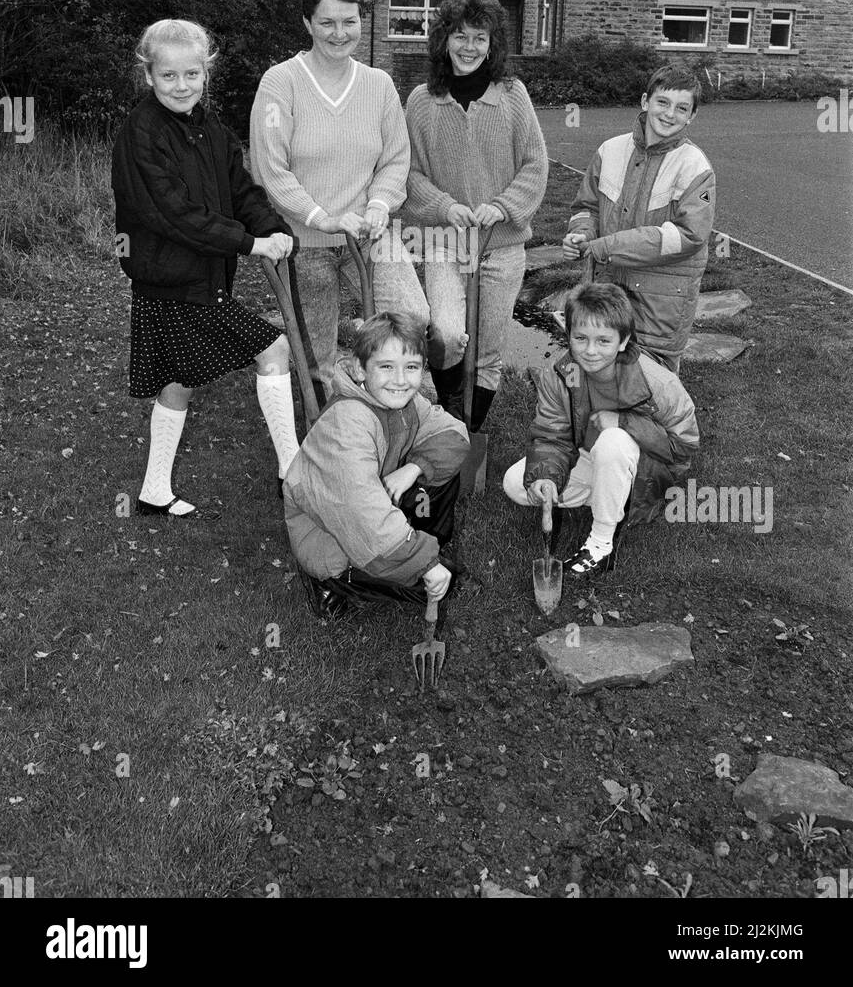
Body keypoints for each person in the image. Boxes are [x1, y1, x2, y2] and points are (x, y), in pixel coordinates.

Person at [112, 19, 298, 514]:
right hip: (172, 277)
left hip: (196, 275)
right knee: (274, 349)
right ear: (148, 75)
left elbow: (239, 190)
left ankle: (153, 491)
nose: (181, 85)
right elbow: (174, 213)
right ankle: (293, 472)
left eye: (191, 74)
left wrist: (271, 227)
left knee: (179, 381)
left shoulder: (209, 127)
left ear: (206, 74)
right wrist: (248, 244)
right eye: (168, 76)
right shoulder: (141, 132)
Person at [249, 0, 429, 399]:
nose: (339, 33)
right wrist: (321, 218)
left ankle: (393, 405)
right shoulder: (281, 83)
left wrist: (378, 207)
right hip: (304, 241)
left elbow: (395, 159)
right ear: (307, 23)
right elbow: (270, 168)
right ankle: (332, 431)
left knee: (412, 317)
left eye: (349, 22)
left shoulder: (379, 85)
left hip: (368, 235)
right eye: (327, 22)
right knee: (316, 356)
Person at [404, 0, 548, 430]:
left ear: (493, 45)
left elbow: (535, 163)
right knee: (446, 335)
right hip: (445, 243)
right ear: (444, 40)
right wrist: (444, 206)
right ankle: (449, 422)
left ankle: (468, 435)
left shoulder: (511, 94)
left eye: (480, 38)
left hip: (500, 247)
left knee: (487, 351)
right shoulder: (422, 101)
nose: (469, 47)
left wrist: (504, 206)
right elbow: (407, 172)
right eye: (461, 36)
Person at [503, 282, 698, 576]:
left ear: (623, 341)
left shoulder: (659, 383)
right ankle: (607, 496)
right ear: (567, 334)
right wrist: (546, 476)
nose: (590, 351)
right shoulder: (560, 375)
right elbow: (551, 436)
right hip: (592, 457)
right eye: (580, 338)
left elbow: (683, 448)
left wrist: (623, 422)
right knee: (516, 483)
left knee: (614, 441)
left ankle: (601, 543)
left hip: (646, 470)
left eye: (603, 341)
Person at [284, 311, 469, 615]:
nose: (399, 380)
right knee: (428, 588)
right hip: (332, 537)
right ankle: (329, 581)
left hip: (370, 508)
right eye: (386, 367)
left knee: (440, 467)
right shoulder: (346, 424)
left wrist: (413, 469)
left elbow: (454, 436)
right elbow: (363, 513)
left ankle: (423, 548)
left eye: (411, 367)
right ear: (360, 369)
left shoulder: (404, 403)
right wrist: (425, 566)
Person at [562, 62, 716, 373]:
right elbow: (587, 206)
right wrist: (582, 234)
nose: (670, 114)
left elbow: (689, 236)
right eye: (663, 102)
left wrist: (605, 247)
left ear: (692, 116)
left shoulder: (694, 166)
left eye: (682, 108)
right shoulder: (610, 150)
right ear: (645, 101)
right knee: (598, 380)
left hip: (659, 307)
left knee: (652, 392)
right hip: (608, 291)